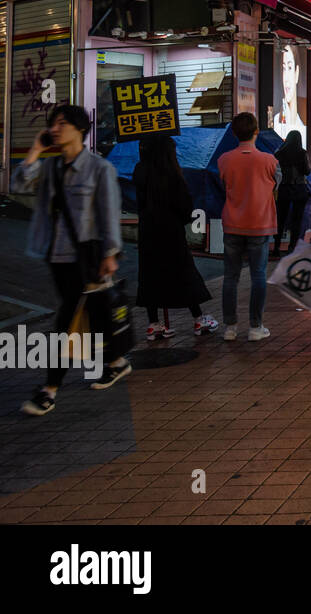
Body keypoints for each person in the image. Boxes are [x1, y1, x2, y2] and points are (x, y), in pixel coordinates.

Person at [17, 106, 131, 416]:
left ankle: (49, 390)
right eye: (52, 124)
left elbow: (109, 213)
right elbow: (18, 185)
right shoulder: (50, 167)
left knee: (65, 324)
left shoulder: (99, 168)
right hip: (57, 256)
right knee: (95, 314)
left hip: (88, 257)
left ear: (80, 129)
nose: (55, 128)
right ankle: (117, 362)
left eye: (62, 123)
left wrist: (110, 254)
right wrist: (36, 150)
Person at [134, 134, 218, 339]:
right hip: (171, 231)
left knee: (150, 275)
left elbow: (139, 201)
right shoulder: (171, 174)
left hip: (147, 230)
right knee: (183, 273)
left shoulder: (140, 170)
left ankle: (154, 323)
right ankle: (199, 319)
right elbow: (185, 207)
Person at [217, 112, 280, 341]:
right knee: (258, 275)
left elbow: (223, 183)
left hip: (232, 223)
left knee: (230, 277)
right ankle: (256, 326)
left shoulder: (224, 159)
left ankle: (230, 327)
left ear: (234, 132)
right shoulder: (269, 161)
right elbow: (277, 183)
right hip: (260, 224)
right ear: (256, 132)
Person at [272, 129, 310, 256]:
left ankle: (276, 247)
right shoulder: (302, 153)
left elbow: (275, 172)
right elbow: (307, 171)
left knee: (280, 219)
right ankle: (292, 247)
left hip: (284, 188)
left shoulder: (279, 153)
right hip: (299, 188)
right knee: (297, 220)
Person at [272, 45, 307, 141]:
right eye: (284, 68)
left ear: (297, 73)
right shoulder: (275, 121)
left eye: (290, 67)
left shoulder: (304, 126)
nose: (286, 78)